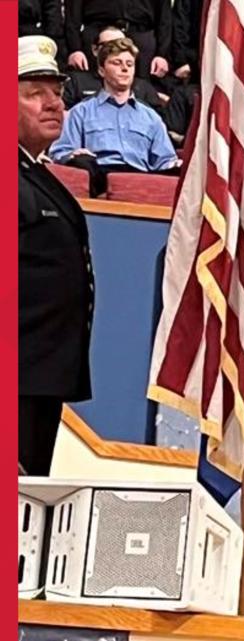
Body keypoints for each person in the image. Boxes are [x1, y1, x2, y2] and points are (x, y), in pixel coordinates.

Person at [18, 36, 95, 476]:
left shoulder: (33, 173)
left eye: (58, 92)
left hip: (39, 381)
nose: (53, 103)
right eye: (34, 94)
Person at [50, 36, 179, 183]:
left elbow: (165, 161)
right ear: (101, 70)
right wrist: (73, 155)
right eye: (117, 63)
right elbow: (59, 153)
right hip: (97, 177)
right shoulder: (81, 112)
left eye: (130, 64)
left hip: (140, 179)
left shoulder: (151, 117)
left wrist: (175, 165)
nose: (125, 68)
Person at [64, 0, 171, 79]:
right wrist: (75, 49)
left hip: (141, 36)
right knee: (90, 85)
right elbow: (72, 13)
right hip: (97, 34)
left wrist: (162, 54)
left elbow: (165, 19)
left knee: (142, 89)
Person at [63, 25, 162, 110]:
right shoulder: (75, 82)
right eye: (109, 46)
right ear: (95, 49)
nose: (116, 50)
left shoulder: (143, 87)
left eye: (122, 44)